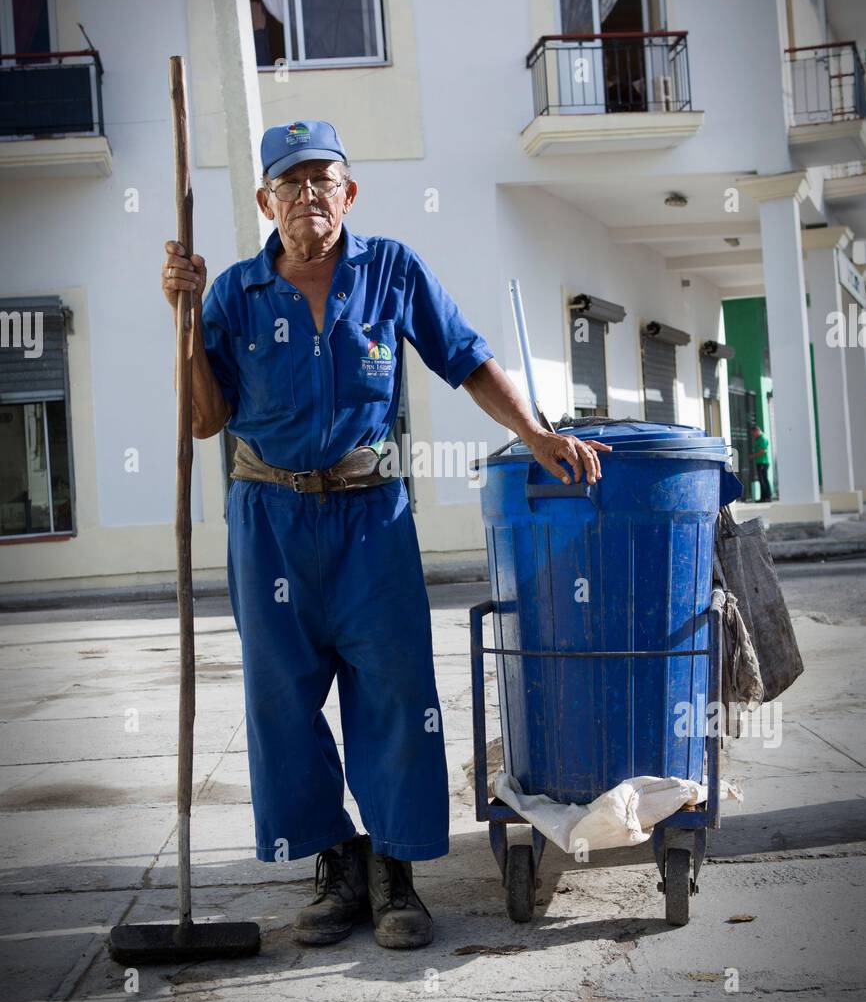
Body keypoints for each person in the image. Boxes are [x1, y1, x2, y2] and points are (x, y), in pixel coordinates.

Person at [160, 118, 611, 950]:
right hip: (269, 521)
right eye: (290, 185)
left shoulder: (391, 271)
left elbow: (466, 357)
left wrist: (537, 433)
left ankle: (396, 873)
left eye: (322, 180)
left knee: (398, 694)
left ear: (348, 191)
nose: (307, 197)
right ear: (267, 200)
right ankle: (336, 866)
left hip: (371, 517)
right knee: (281, 700)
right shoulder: (231, 294)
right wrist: (185, 320)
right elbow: (204, 418)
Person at [751, 422, 772, 502]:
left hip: (763, 462)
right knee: (762, 480)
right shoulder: (759, 438)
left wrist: (753, 455)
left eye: (754, 433)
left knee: (764, 480)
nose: (753, 435)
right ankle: (763, 497)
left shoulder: (763, 438)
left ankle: (767, 497)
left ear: (757, 431)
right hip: (760, 462)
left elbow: (763, 451)